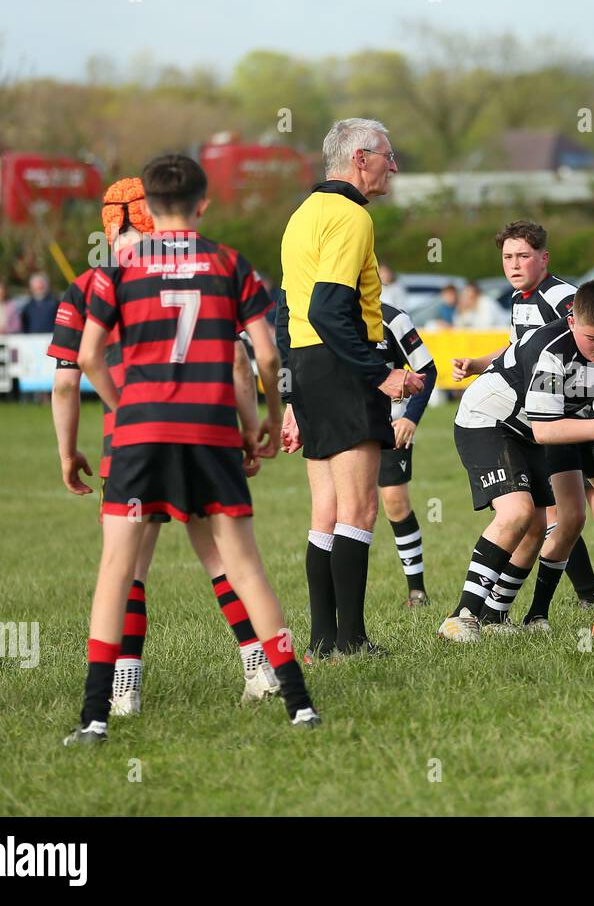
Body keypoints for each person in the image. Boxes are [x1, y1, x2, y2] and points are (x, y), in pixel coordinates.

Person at [65, 154, 317, 745]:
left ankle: (96, 717)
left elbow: (87, 358)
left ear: (147, 208)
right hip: (209, 430)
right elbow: (265, 355)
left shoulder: (119, 268)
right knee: (244, 565)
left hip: (140, 433)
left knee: (116, 570)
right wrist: (270, 417)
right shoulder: (231, 264)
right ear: (204, 204)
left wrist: (124, 404)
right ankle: (300, 706)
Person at [277, 117, 423, 659]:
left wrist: (292, 396)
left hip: (309, 368)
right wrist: (380, 372)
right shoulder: (350, 215)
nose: (394, 164)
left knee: (326, 510)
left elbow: (285, 313)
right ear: (360, 158)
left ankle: (322, 641)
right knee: (359, 509)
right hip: (342, 367)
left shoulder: (301, 215)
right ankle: (353, 641)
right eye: (388, 154)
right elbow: (327, 309)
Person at [440, 280, 594, 641]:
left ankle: (496, 616)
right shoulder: (553, 351)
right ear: (573, 322)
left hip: (531, 428)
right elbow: (547, 431)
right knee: (516, 514)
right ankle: (462, 616)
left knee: (537, 526)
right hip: (489, 421)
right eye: (592, 337)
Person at [451, 221, 594, 605]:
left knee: (568, 511)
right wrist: (478, 363)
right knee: (551, 514)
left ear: (544, 258)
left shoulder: (562, 297)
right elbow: (517, 349)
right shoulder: (519, 298)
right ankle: (584, 595)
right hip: (529, 418)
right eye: (507, 257)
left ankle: (592, 593)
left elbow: (590, 335)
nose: (514, 265)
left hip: (559, 411)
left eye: (523, 256)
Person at [373, 301, 437, 607]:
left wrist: (410, 417)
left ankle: (417, 590)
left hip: (389, 426)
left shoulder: (393, 319)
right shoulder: (330, 314)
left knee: (395, 504)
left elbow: (427, 369)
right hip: (344, 424)